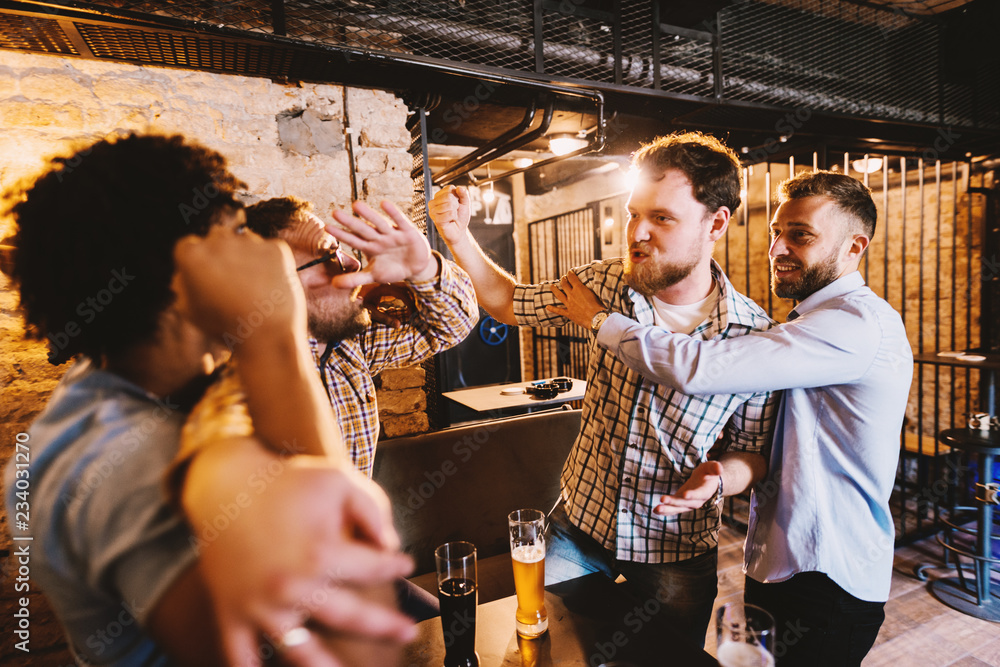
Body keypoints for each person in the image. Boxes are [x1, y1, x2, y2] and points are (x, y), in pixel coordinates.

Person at [3, 133, 416, 666]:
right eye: (238, 232)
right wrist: (274, 338)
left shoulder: (158, 385)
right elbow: (360, 651)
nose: (263, 251)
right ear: (183, 271)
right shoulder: (113, 461)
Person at [428, 131, 780, 644]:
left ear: (717, 223)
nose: (636, 232)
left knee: (663, 663)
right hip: (578, 526)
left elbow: (755, 455)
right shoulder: (608, 284)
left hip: (674, 553)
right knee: (542, 645)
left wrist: (721, 478)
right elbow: (508, 303)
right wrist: (458, 234)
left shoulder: (753, 336)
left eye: (661, 218)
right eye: (634, 213)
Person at [551, 170, 912, 665]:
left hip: (829, 573)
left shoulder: (855, 324)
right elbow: (766, 445)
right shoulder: (809, 324)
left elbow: (702, 366)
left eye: (801, 235)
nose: (779, 248)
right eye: (776, 233)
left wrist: (599, 319)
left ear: (855, 247)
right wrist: (724, 473)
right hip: (783, 562)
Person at [243, 195, 478, 479]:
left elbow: (454, 324)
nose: (352, 264)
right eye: (329, 255)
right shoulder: (235, 383)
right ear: (272, 279)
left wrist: (422, 269)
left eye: (339, 251)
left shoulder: (348, 347)